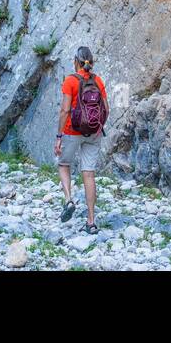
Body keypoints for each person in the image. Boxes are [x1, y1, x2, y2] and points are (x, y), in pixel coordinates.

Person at [55, 46, 109, 233]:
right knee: (88, 173)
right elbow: (106, 109)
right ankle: (91, 221)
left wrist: (59, 136)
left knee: (64, 164)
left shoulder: (70, 81)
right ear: (90, 62)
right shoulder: (98, 81)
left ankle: (69, 200)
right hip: (93, 133)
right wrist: (97, 126)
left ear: (75, 61)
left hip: (72, 130)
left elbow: (65, 110)